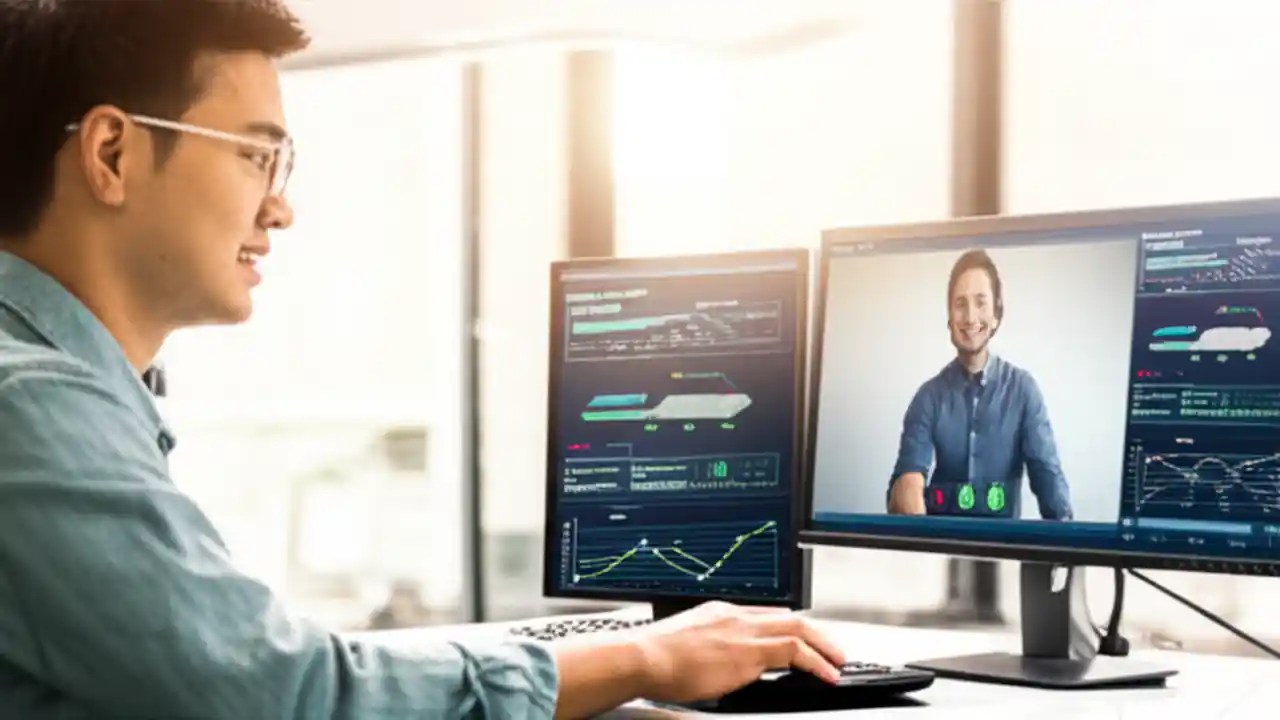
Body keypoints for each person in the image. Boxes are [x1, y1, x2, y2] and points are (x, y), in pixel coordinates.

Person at [0, 2, 844, 718]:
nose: (282, 206)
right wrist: (644, 660)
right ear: (112, 154)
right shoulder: (30, 409)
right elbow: (287, 692)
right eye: (258, 155)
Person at [885, 249, 1073, 521]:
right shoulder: (928, 398)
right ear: (949, 317)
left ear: (996, 313)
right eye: (960, 304)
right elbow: (908, 480)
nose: (970, 317)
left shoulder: (1023, 390)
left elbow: (1047, 476)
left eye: (981, 303)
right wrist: (914, 518)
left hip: (1002, 551)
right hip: (941, 549)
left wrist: (1069, 550)